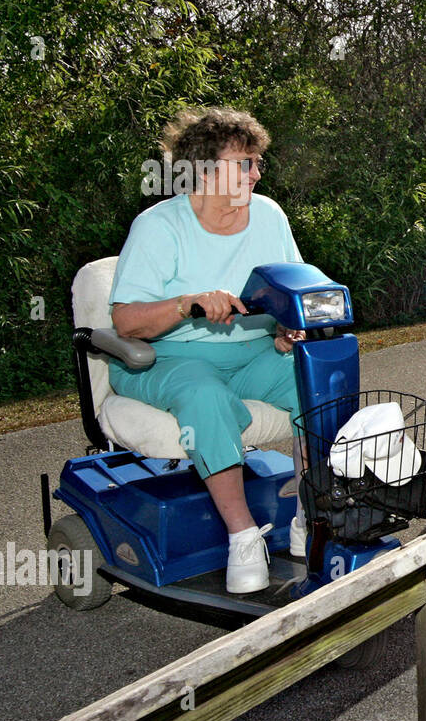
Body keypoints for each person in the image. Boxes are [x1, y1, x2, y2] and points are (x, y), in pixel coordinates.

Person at [108, 108, 304, 594]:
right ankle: (242, 537)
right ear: (204, 171)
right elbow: (125, 321)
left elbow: (292, 292)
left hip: (253, 353)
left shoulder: (270, 216)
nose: (257, 174)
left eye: (258, 163)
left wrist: (287, 331)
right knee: (206, 396)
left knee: (316, 373)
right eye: (246, 163)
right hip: (170, 359)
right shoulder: (159, 227)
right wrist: (186, 303)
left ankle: (311, 515)